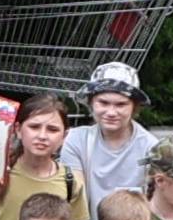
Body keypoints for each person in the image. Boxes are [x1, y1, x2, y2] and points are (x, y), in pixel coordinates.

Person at [61, 62, 154, 204]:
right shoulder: (76, 140)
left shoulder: (150, 146)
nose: (111, 112)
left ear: (134, 106)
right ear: (91, 103)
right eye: (103, 103)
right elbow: (74, 194)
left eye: (121, 104)